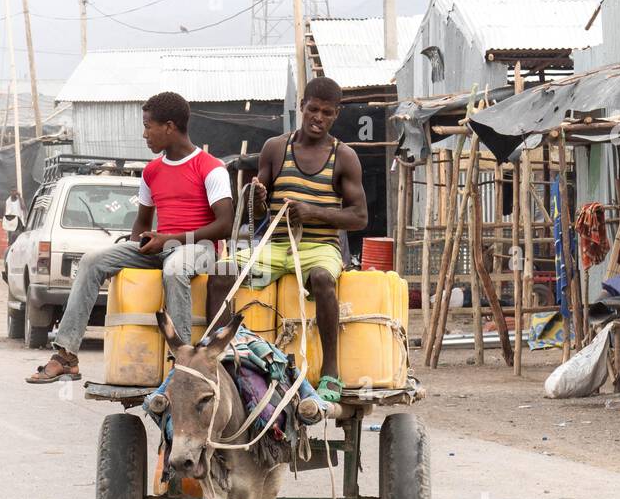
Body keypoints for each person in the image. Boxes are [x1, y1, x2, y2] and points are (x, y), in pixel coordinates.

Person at [27, 91, 234, 383]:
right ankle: (66, 355)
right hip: (163, 246)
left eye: (148, 126)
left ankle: (183, 361)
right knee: (92, 261)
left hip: (198, 248)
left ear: (170, 127)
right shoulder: (151, 171)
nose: (144, 133)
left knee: (175, 269)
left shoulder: (211, 167)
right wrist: (142, 245)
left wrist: (170, 239)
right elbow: (142, 223)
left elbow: (225, 225)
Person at [204, 76, 367, 403]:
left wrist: (314, 212)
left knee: (322, 279)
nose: (318, 118)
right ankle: (216, 363)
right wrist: (257, 196)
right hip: (274, 248)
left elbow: (359, 217)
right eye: (313, 109)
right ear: (301, 106)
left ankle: (330, 372)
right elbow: (254, 210)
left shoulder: (344, 156)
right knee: (222, 274)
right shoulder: (276, 148)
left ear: (336, 115)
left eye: (327, 113)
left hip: (319, 248)